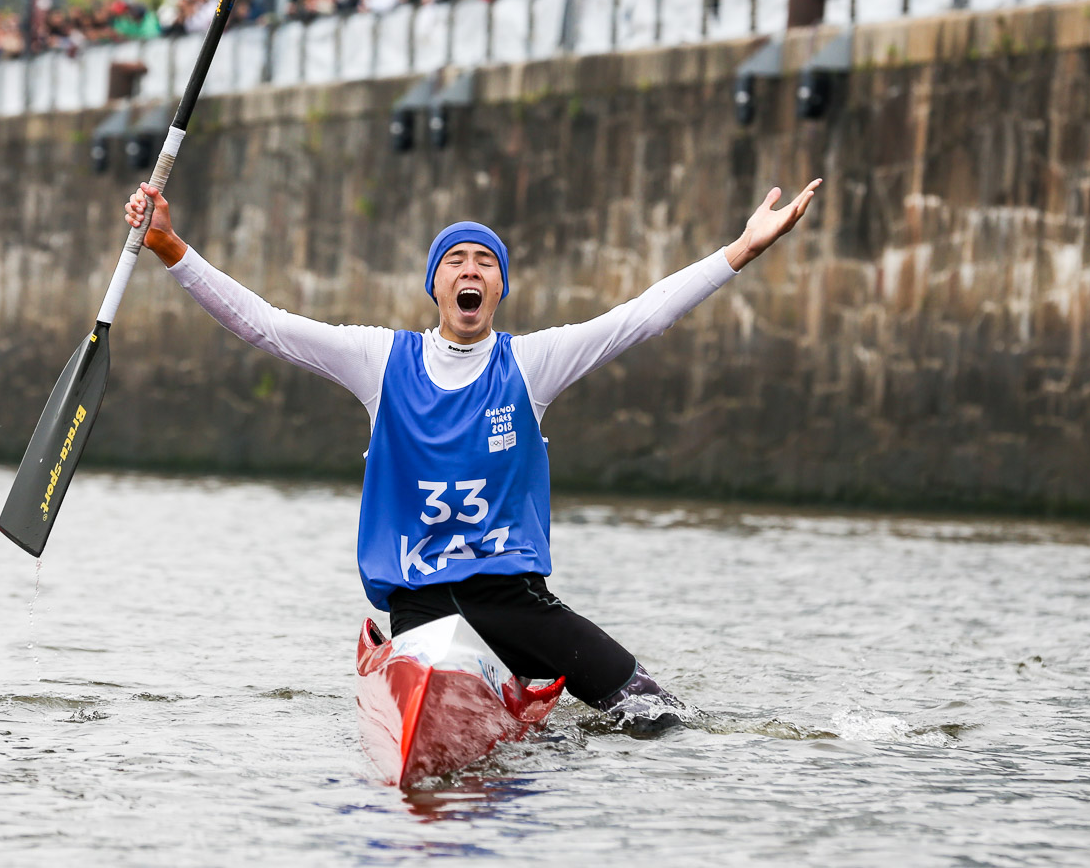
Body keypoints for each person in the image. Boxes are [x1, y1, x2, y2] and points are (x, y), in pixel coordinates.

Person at [123, 177, 822, 729]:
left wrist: (743, 250)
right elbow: (266, 326)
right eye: (455, 260)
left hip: (513, 602)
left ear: (498, 288)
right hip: (421, 607)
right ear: (436, 285)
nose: (471, 269)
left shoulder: (530, 365)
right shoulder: (379, 359)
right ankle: (457, 707)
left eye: (485, 262)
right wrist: (170, 246)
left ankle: (537, 702)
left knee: (658, 715)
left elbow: (640, 316)